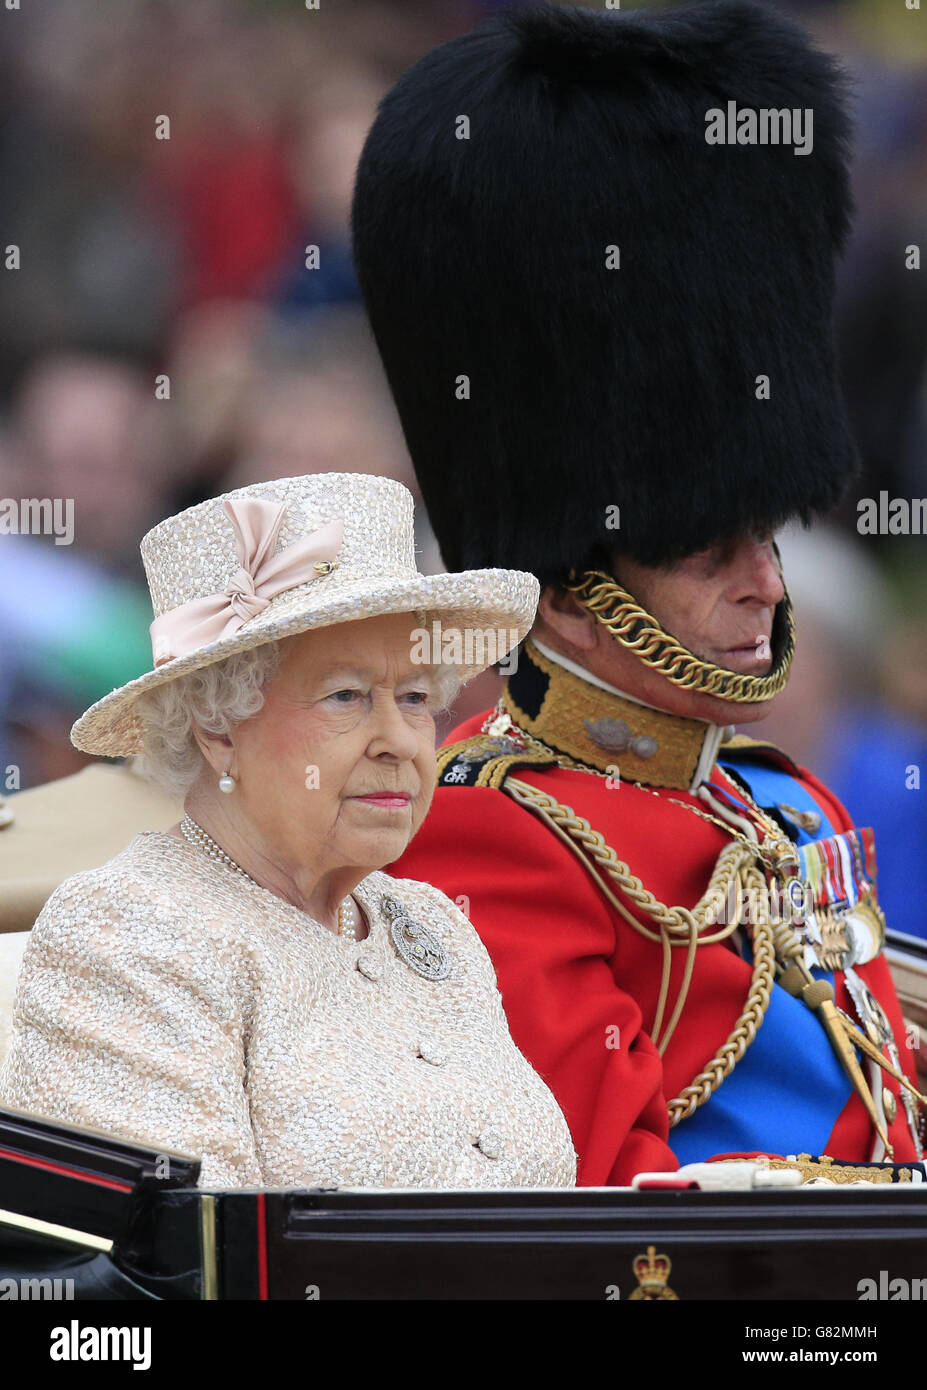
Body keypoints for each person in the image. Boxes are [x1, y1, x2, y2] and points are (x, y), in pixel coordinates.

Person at [351, 1, 926, 1182]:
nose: (767, 580)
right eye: (709, 551)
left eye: (761, 535)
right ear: (567, 590)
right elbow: (619, 1228)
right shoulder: (488, 839)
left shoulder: (779, 799)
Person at [0, 472, 576, 1191]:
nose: (399, 738)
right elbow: (194, 1258)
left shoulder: (430, 924)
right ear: (216, 728)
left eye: (415, 698)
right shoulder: (129, 933)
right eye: (347, 696)